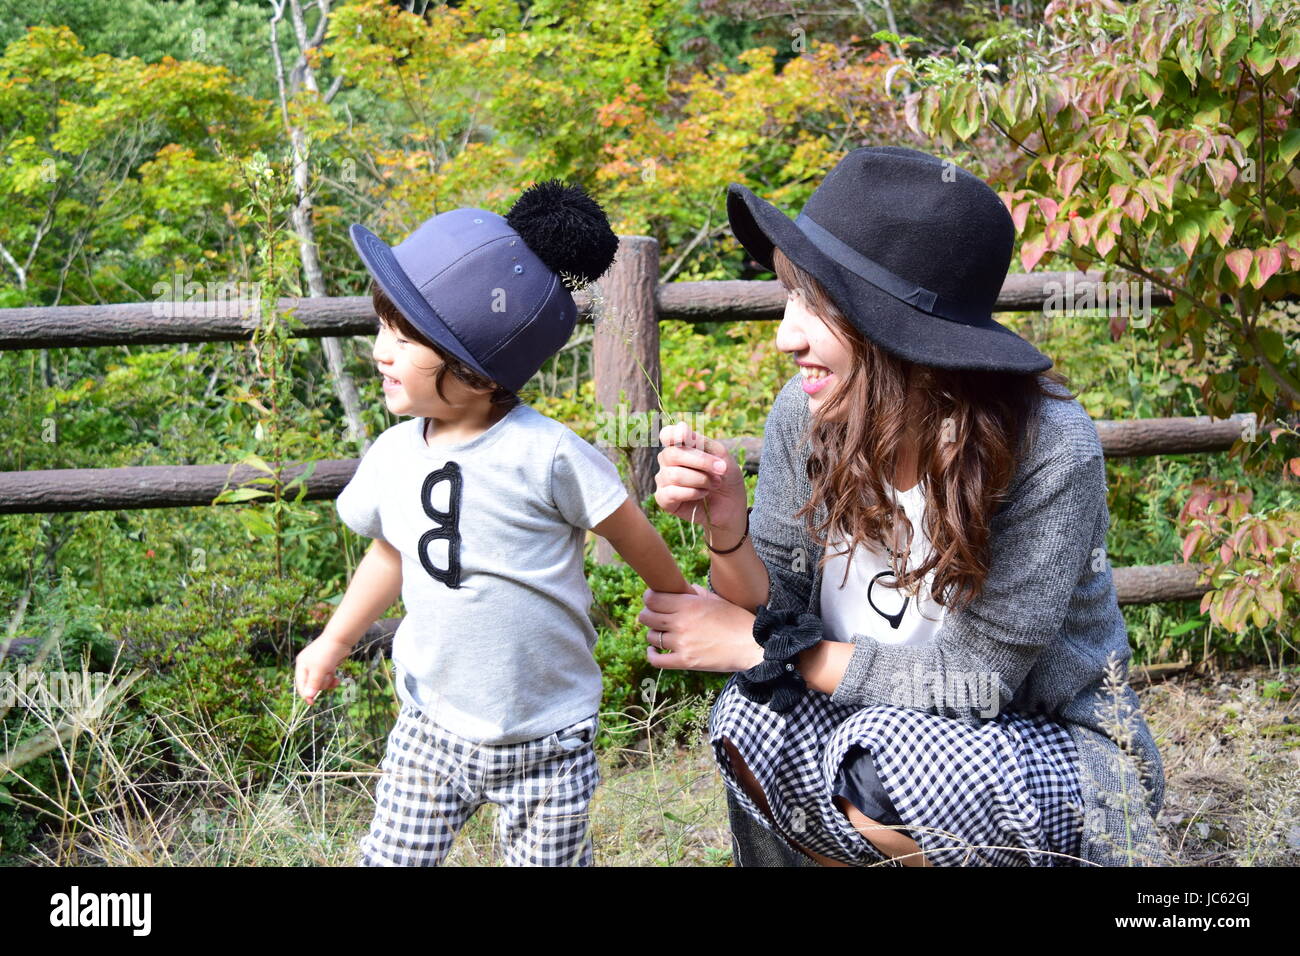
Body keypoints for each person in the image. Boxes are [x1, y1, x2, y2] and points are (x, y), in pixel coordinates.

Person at [640, 146, 1168, 867]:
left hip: (1058, 756)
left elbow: (975, 679)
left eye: (815, 304)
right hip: (874, 733)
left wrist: (773, 652)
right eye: (790, 296)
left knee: (884, 754)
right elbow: (776, 609)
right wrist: (729, 532)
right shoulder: (806, 414)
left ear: (899, 335)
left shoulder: (1048, 449)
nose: (785, 335)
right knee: (752, 716)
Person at [294, 181, 691, 866]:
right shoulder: (394, 453)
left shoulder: (548, 453)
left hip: (547, 734)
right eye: (383, 326)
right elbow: (392, 553)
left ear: (479, 375)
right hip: (429, 722)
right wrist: (334, 640)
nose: (380, 351)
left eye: (405, 337)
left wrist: (678, 601)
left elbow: (627, 528)